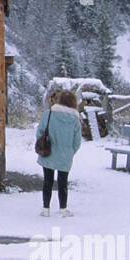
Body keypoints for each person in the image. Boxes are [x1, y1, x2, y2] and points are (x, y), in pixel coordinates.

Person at [35, 89, 83, 217]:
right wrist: (70, 152)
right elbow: (77, 141)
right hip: (65, 155)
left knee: (47, 182)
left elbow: (39, 132)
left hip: (48, 152)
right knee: (63, 183)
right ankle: (63, 209)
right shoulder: (75, 120)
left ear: (60, 100)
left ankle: (46, 209)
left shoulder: (48, 114)